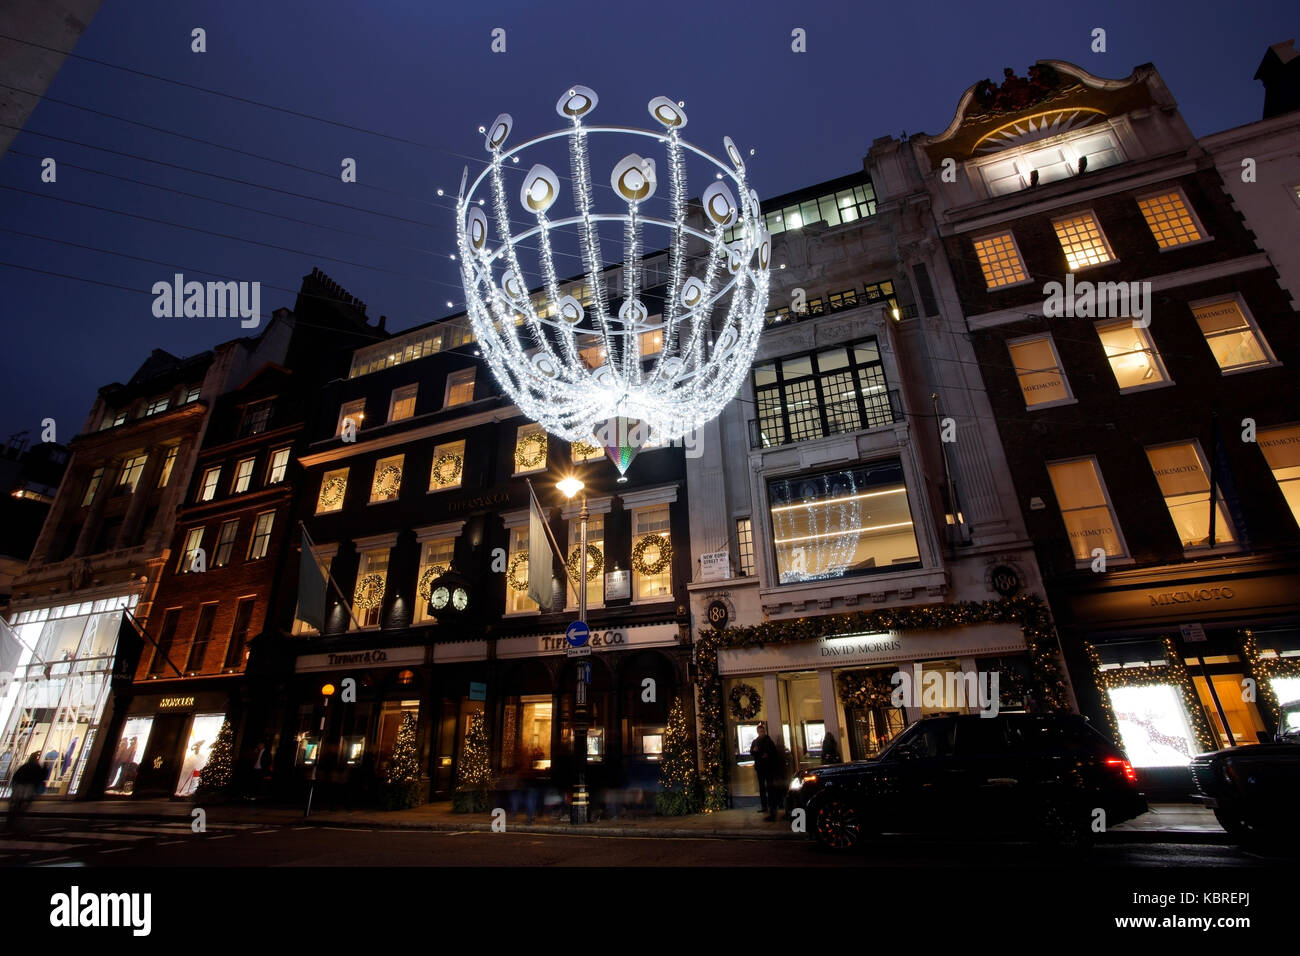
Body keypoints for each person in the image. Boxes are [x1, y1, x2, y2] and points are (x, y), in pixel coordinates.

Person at [5, 752, 46, 833]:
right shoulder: (36, 767)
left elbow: (16, 777)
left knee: (15, 806)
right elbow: (40, 777)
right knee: (23, 805)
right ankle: (14, 824)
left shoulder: (24, 766)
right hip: (27, 787)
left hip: (19, 787)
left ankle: (10, 824)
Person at [749, 722, 779, 821]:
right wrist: (754, 751)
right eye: (760, 731)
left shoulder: (768, 741)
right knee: (762, 787)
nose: (762, 733)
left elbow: (774, 752)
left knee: (769, 787)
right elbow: (752, 753)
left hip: (768, 767)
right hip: (760, 767)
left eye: (763, 731)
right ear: (758, 732)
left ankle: (771, 806)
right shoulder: (755, 741)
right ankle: (764, 806)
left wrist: (767, 755)